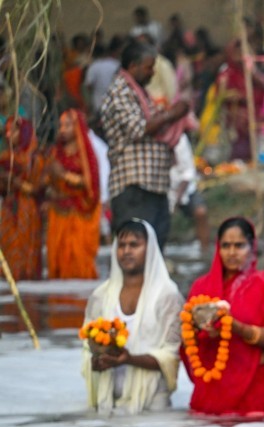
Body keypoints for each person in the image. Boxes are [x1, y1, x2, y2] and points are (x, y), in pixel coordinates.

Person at [184, 218, 264, 417]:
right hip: (211, 388)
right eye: (225, 246)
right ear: (217, 248)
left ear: (252, 247)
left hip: (253, 388)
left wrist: (236, 327)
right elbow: (187, 340)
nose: (231, 253)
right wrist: (200, 329)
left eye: (239, 246)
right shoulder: (201, 287)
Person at [83, 220, 184, 415]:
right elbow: (87, 345)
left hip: (154, 406)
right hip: (107, 403)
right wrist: (96, 359)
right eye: (121, 245)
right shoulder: (101, 296)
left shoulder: (167, 295)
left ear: (150, 249)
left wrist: (129, 359)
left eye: (134, 245)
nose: (126, 251)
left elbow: (171, 356)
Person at [100, 40, 191, 244]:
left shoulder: (141, 94)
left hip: (154, 186)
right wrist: (171, 114)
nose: (152, 73)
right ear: (133, 66)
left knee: (154, 253)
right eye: (149, 68)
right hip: (133, 186)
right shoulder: (120, 91)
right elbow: (139, 128)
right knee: (136, 252)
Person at [45, 109, 100, 281]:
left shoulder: (85, 153)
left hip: (80, 212)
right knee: (58, 258)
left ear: (77, 127)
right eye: (61, 125)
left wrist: (64, 175)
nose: (63, 129)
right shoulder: (56, 153)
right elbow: (48, 182)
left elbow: (89, 183)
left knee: (78, 260)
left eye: (67, 125)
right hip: (59, 211)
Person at [0, 117, 43, 280]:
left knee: (24, 247)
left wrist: (15, 181)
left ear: (24, 133)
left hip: (27, 207)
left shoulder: (34, 158)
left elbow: (36, 189)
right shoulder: (5, 157)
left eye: (14, 130)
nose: (8, 134)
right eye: (7, 131)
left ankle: (24, 276)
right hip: (8, 207)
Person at [84, 37, 123, 118]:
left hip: (99, 104)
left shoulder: (93, 66)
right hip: (117, 103)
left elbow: (88, 86)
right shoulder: (116, 64)